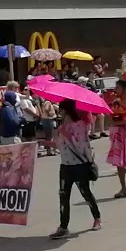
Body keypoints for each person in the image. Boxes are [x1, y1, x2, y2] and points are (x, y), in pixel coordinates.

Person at [50, 100, 103, 240]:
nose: (59, 113)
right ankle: (63, 226)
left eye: (61, 110)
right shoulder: (62, 126)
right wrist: (47, 142)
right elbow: (60, 147)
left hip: (79, 165)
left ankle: (97, 217)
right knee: (63, 196)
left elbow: (81, 146)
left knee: (85, 192)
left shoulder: (80, 125)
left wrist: (65, 134)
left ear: (66, 110)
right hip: (65, 166)